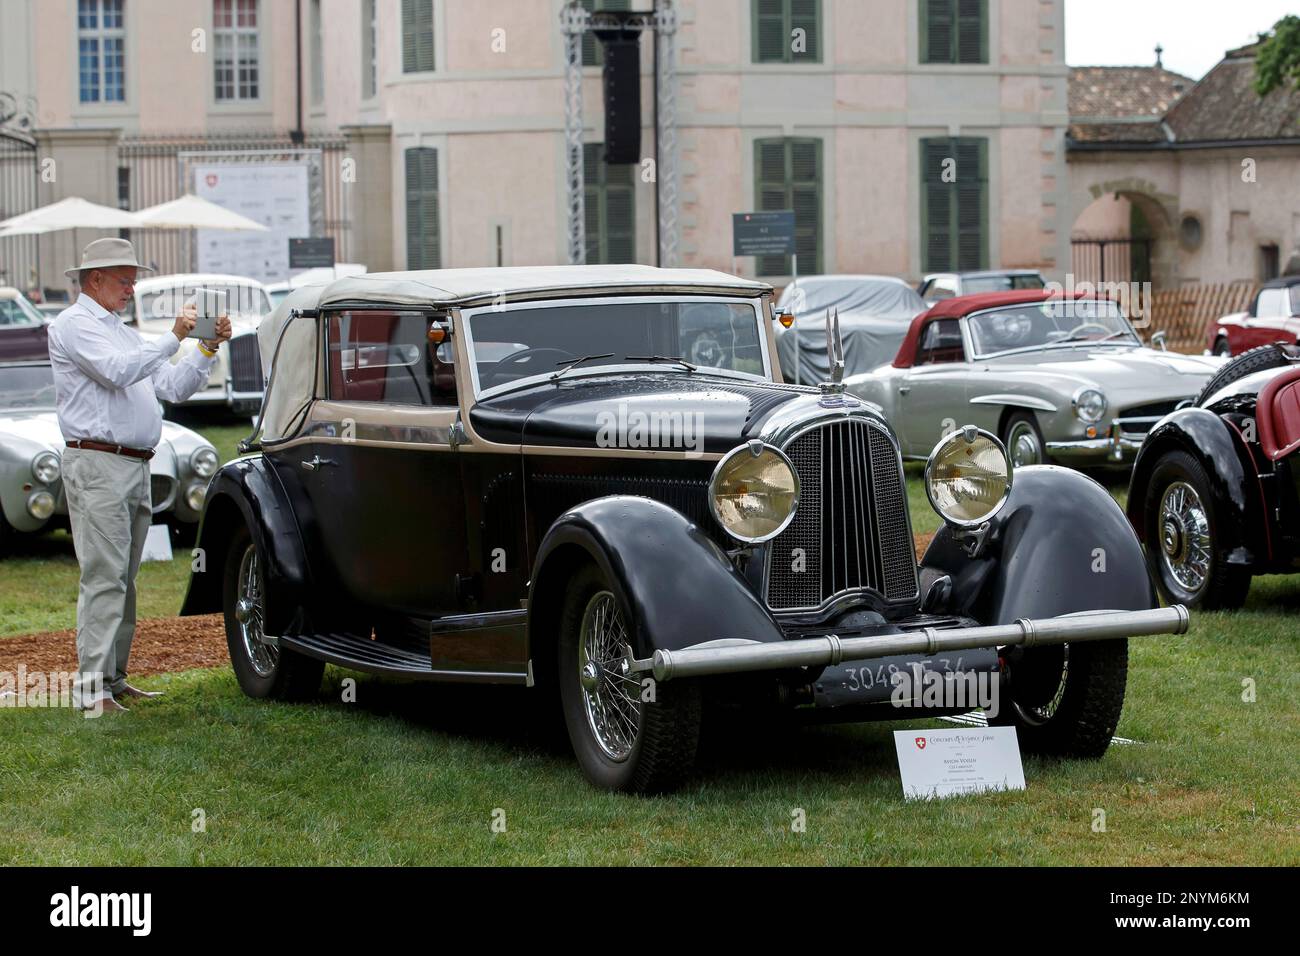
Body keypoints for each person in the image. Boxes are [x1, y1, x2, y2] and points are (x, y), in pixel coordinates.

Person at [47, 238, 232, 713]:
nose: (132, 287)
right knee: (105, 576)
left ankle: (112, 678)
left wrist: (206, 347)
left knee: (123, 578)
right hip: (99, 463)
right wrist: (173, 336)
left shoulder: (121, 330)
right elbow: (115, 373)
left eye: (133, 279)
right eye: (125, 279)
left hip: (131, 463)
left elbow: (172, 386)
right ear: (95, 279)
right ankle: (91, 691)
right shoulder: (73, 325)